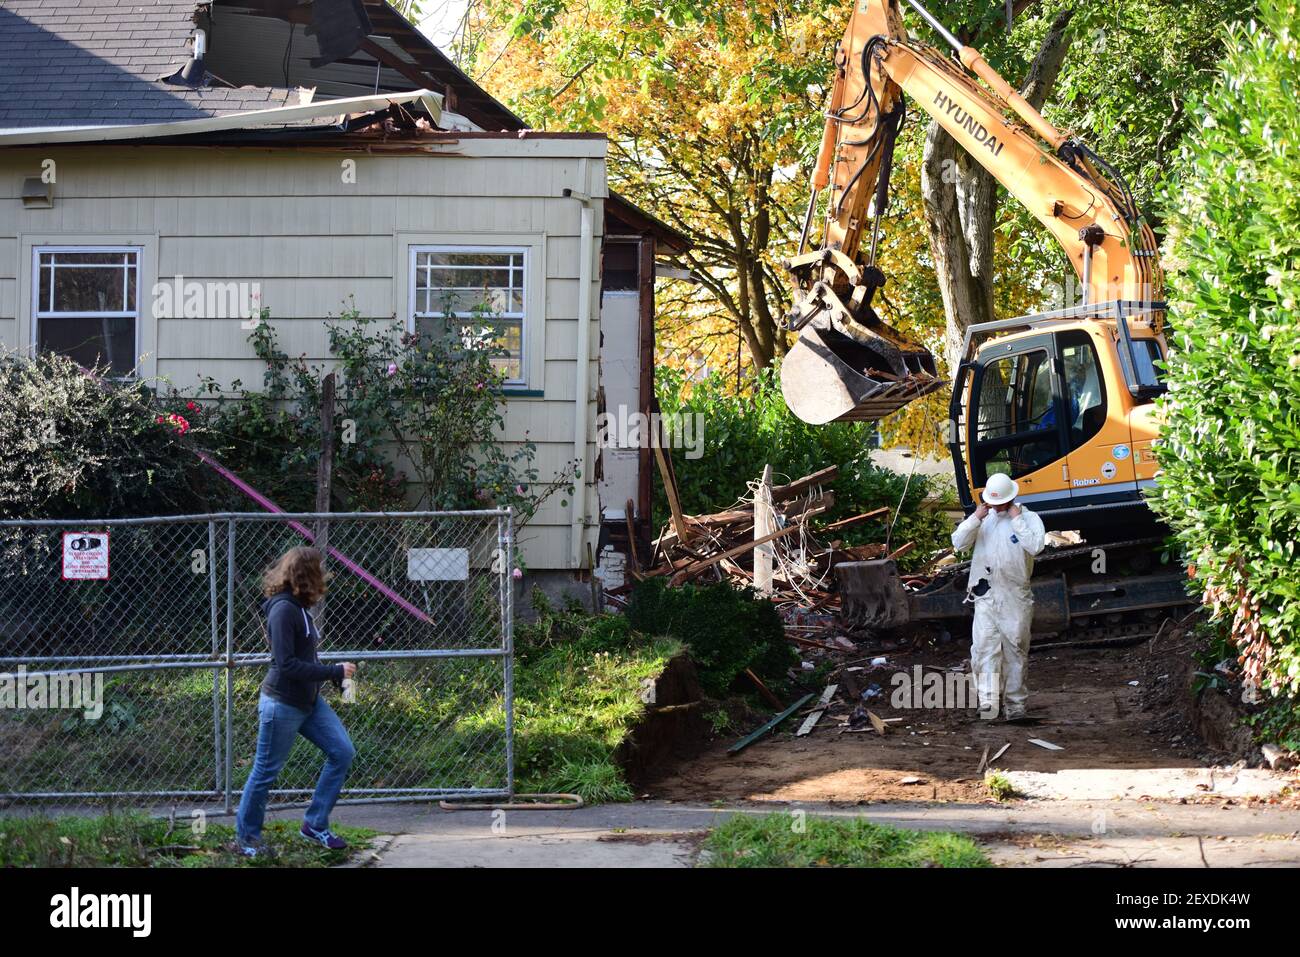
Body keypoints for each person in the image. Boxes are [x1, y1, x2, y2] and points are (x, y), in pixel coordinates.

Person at [235, 546, 357, 856]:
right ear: (307, 574)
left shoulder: (301, 609)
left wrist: (334, 675)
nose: (325, 575)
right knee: (265, 772)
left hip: (310, 702)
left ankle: (314, 824)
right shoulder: (283, 610)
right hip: (283, 703)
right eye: (320, 570)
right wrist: (333, 670)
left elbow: (305, 657)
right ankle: (247, 840)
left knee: (342, 752)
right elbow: (286, 663)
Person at [950, 472, 1045, 721]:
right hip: (985, 595)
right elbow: (958, 543)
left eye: (998, 502)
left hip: (1015, 594)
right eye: (991, 503)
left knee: (1015, 648)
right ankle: (989, 705)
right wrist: (975, 518)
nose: (994, 506)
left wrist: (1017, 521)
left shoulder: (1028, 518)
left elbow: (1036, 546)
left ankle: (1015, 706)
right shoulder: (984, 520)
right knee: (984, 650)